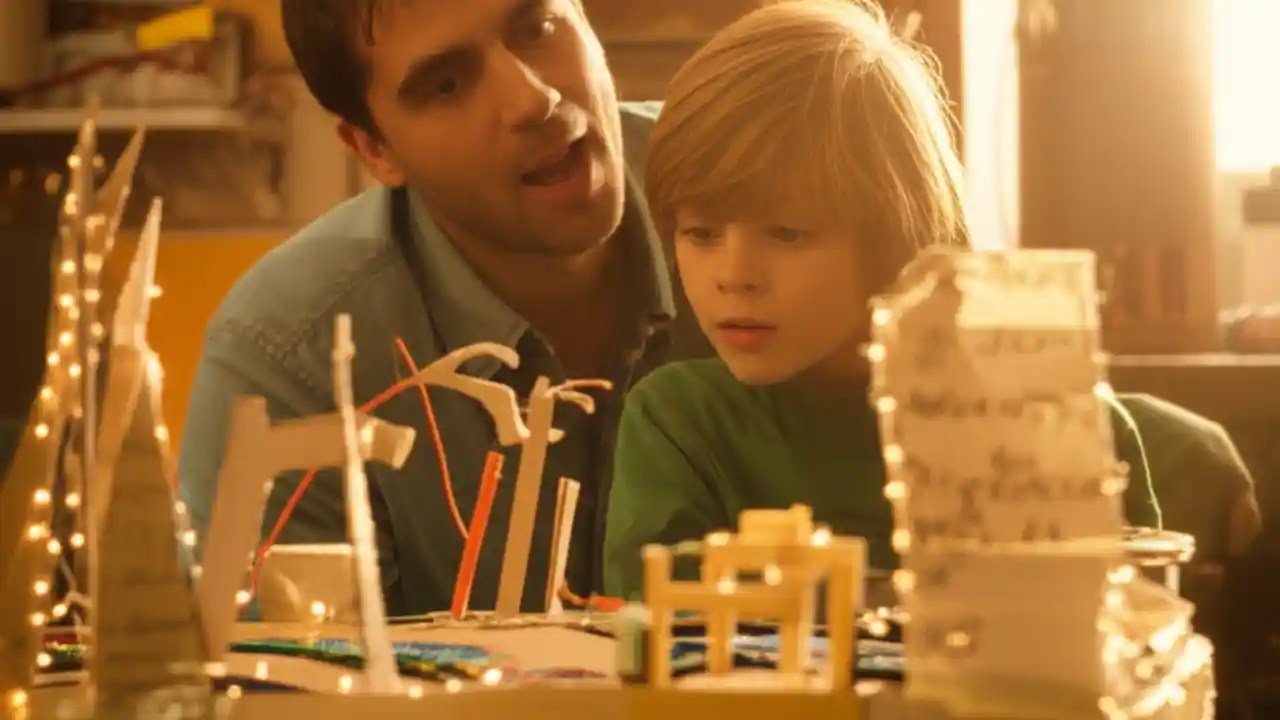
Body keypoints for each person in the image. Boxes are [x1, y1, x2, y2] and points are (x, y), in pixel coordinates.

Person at [601, 0, 1261, 600]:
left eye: (789, 233)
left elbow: (1119, 648)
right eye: (702, 233)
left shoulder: (1054, 431)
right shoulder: (678, 423)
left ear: (894, 237)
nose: (733, 275)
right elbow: (660, 647)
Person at [178, 0, 710, 616]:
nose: (531, 100)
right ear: (375, 149)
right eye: (448, 84)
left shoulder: (765, 182)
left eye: (537, 29)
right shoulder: (290, 358)